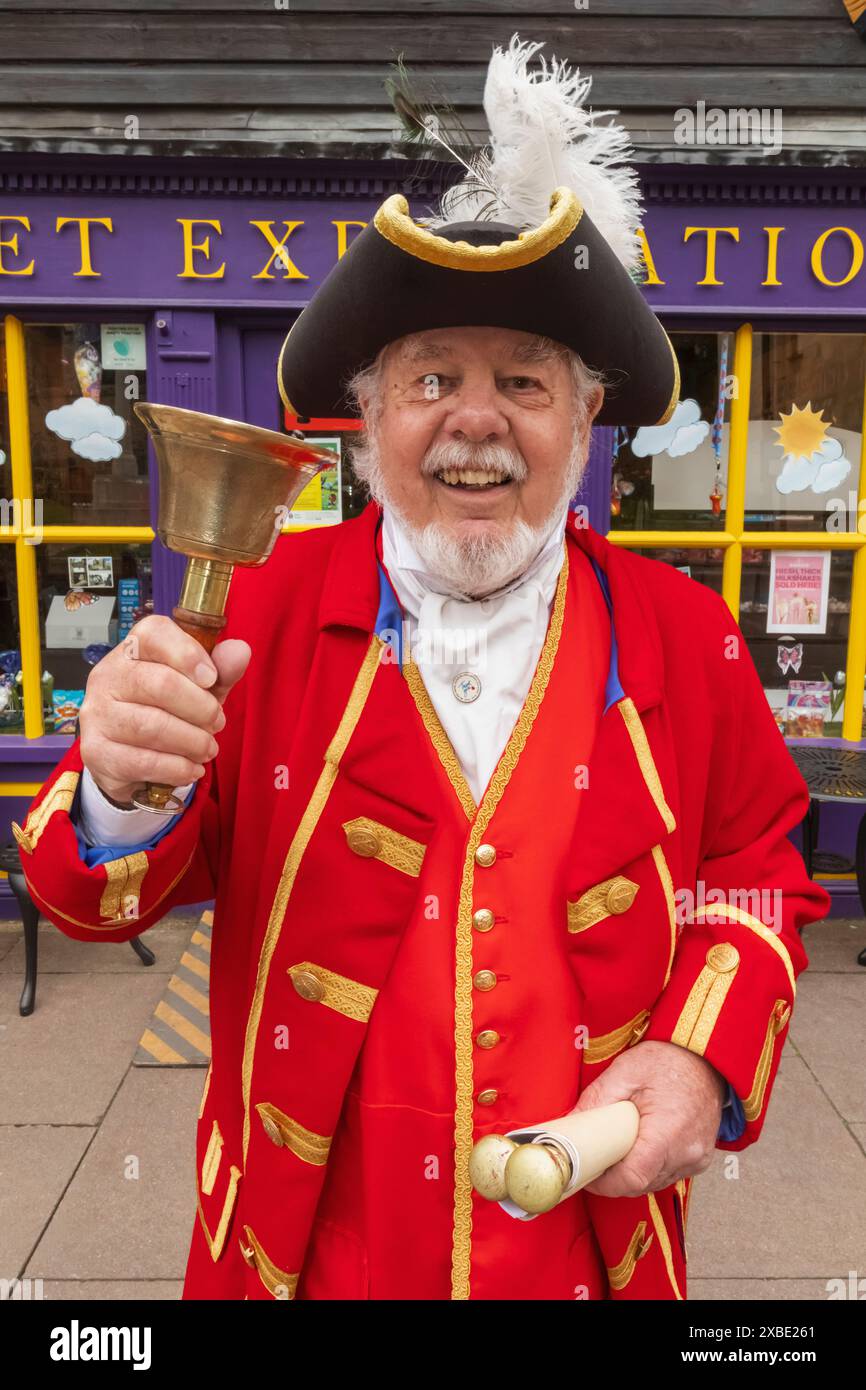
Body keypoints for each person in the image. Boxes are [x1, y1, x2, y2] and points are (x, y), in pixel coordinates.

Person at [15, 36, 829, 1300]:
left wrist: (699, 1060)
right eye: (428, 378)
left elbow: (758, 877)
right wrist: (124, 783)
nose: (474, 417)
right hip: (304, 1261)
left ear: (582, 417)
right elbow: (87, 899)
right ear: (369, 413)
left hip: (587, 1257)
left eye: (522, 380)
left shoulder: (682, 631)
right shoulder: (262, 616)